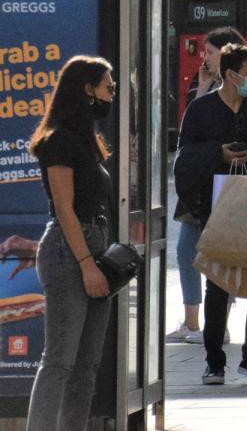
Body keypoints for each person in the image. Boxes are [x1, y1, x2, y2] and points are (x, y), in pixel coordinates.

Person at [174, 43, 247, 385]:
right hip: (215, 205)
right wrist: (218, 153)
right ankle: (214, 362)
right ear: (231, 75)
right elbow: (184, 158)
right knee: (217, 284)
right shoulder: (202, 109)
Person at [25, 57, 116, 431]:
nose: (111, 95)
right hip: (69, 250)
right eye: (107, 88)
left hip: (94, 244)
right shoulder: (58, 139)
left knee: (87, 363)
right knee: (60, 360)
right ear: (86, 89)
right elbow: (64, 209)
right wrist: (86, 263)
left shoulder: (86, 140)